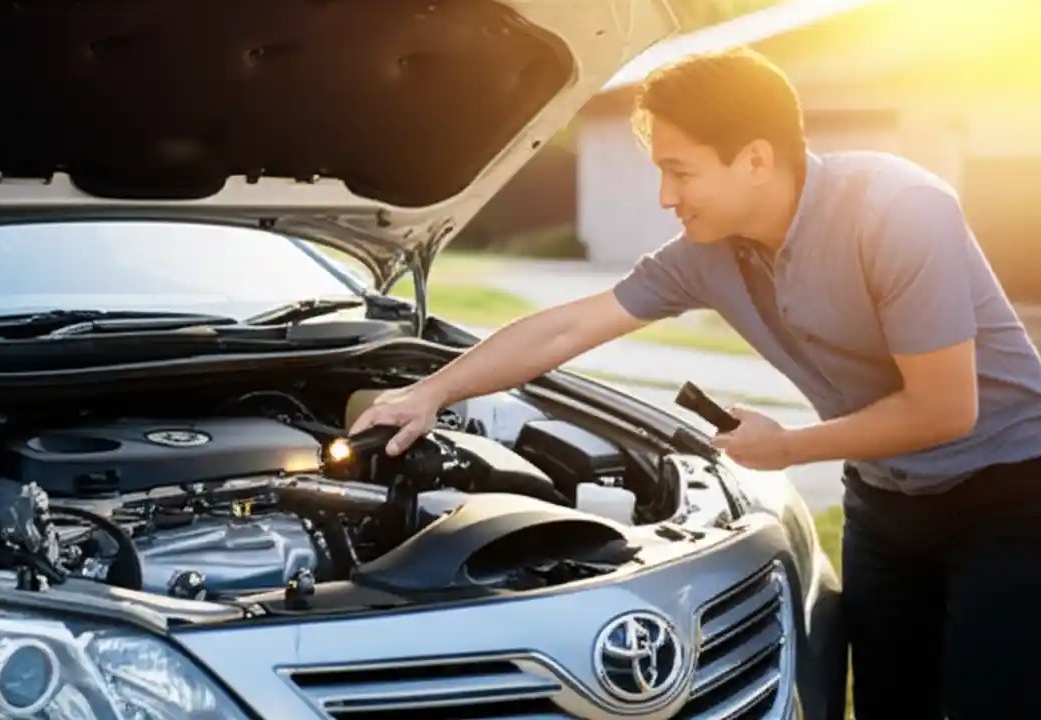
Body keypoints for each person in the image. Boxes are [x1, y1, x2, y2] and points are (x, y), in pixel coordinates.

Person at [349, 46, 1041, 719]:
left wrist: (789, 447)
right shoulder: (706, 255)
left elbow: (946, 407)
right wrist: (430, 392)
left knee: (991, 700)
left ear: (757, 160)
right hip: (885, 503)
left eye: (679, 172)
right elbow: (568, 327)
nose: (665, 196)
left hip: (1009, 491)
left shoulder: (898, 210)